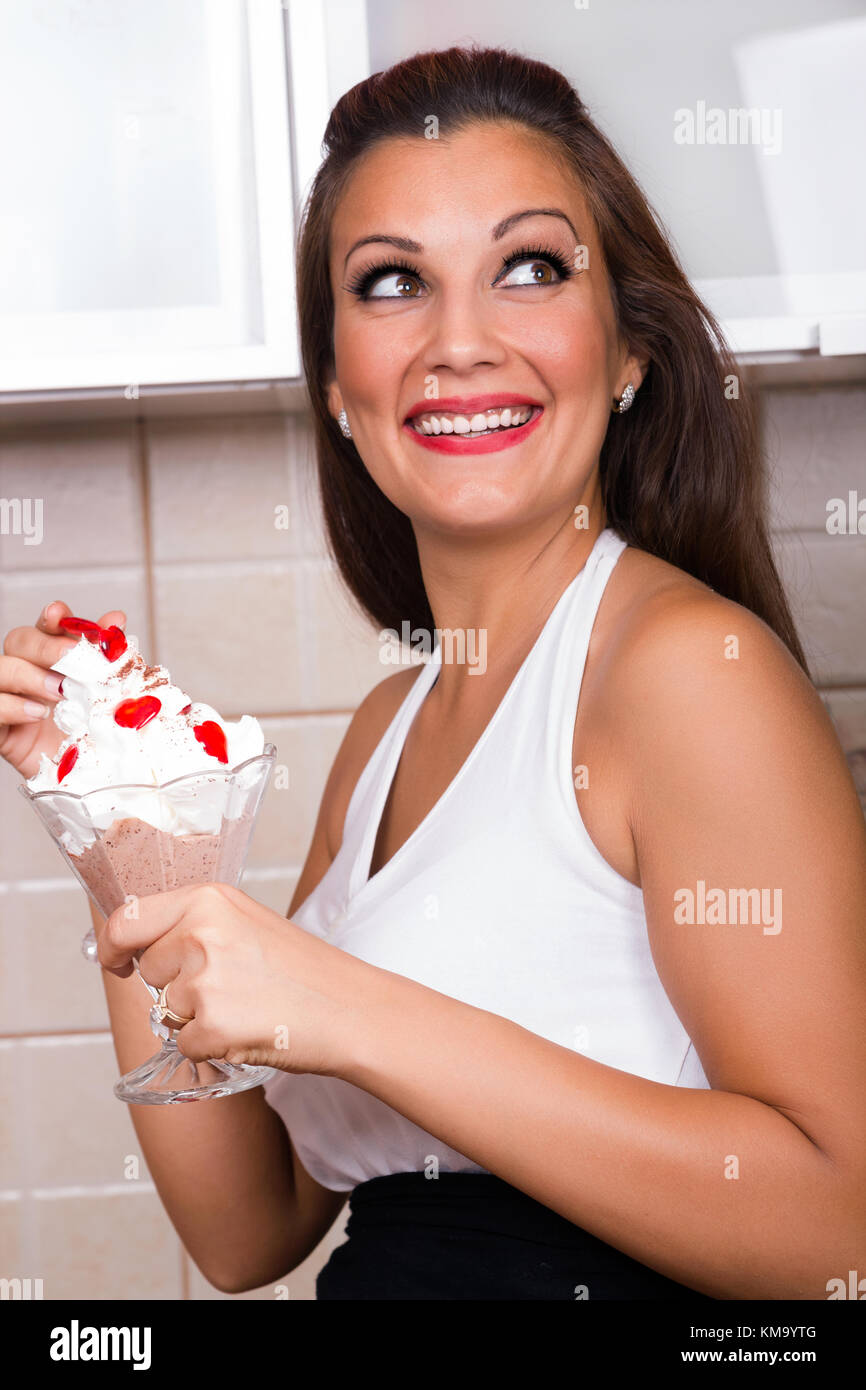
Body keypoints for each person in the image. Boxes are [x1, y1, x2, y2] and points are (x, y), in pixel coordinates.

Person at [2, 45, 864, 1301]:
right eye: (393, 282)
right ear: (340, 387)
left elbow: (838, 1228)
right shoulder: (386, 728)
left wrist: (345, 1005)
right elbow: (253, 1226)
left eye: (529, 268)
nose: (458, 342)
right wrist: (123, 821)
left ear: (627, 349)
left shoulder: (686, 673)